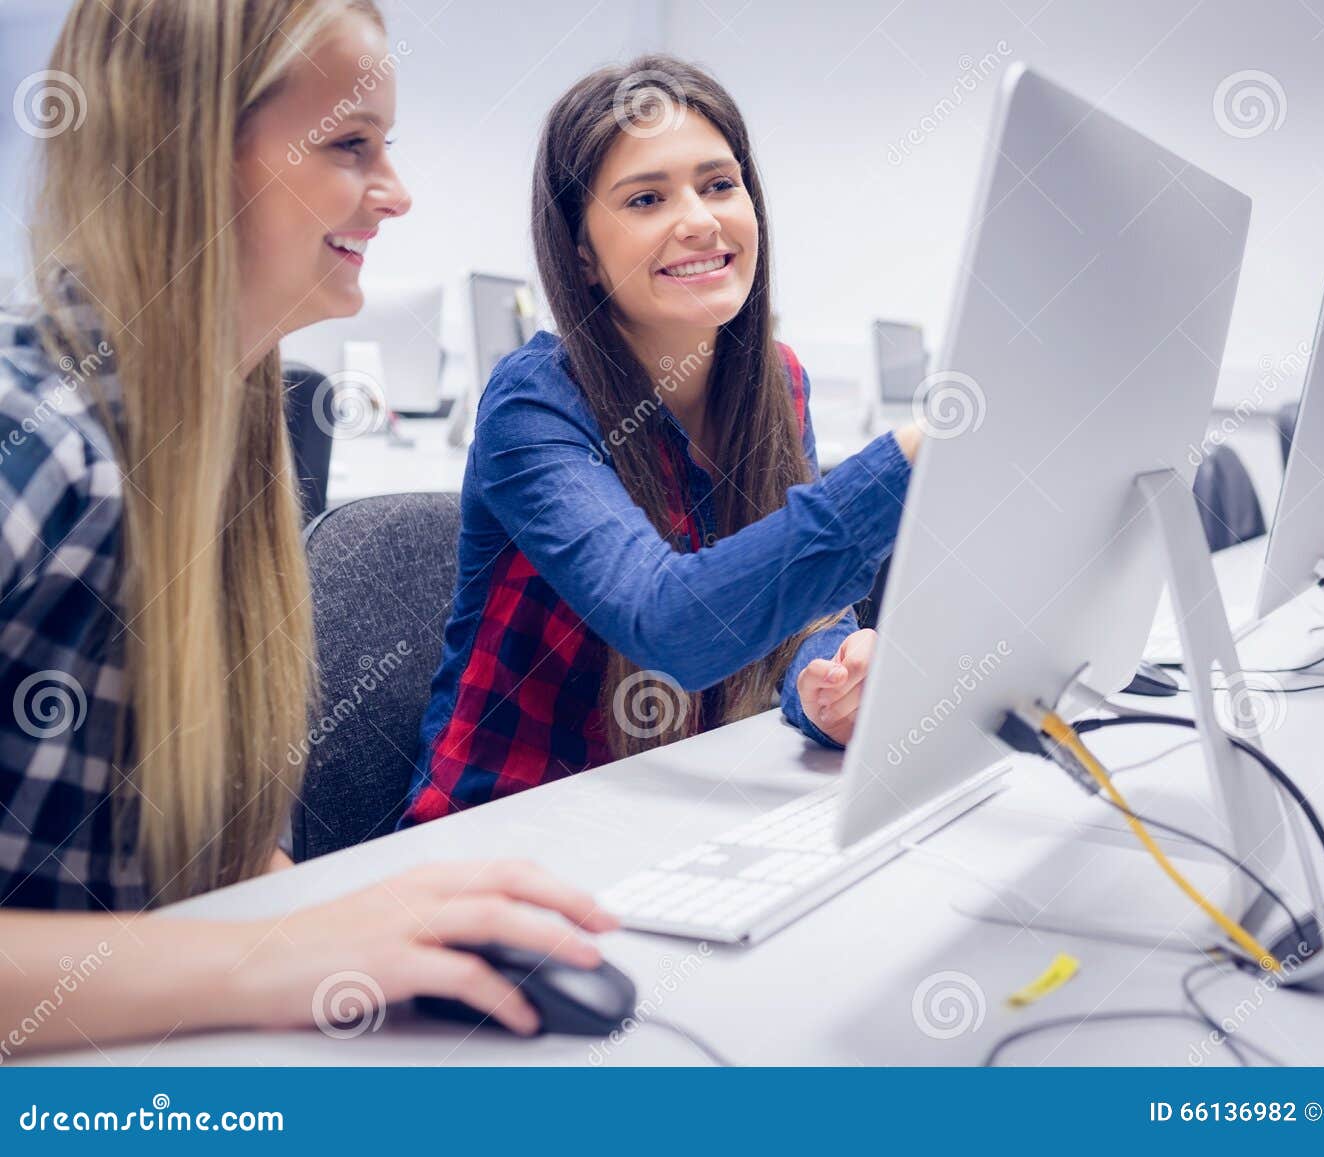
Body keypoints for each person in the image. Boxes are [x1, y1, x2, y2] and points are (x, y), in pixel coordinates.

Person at [0, 0, 612, 1056]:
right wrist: (268, 958)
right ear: (179, 150)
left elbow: (203, 861)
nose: (397, 192)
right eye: (348, 146)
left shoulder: (228, 439)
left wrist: (359, 925)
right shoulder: (37, 439)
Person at [401, 56, 922, 826]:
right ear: (580, 250)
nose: (700, 220)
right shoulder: (535, 400)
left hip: (678, 812)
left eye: (719, 185)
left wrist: (828, 687)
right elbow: (667, 623)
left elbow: (806, 618)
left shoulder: (779, 384)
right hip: (501, 834)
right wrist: (910, 458)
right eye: (647, 198)